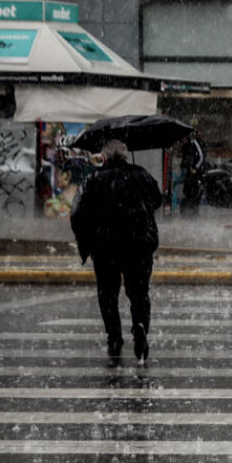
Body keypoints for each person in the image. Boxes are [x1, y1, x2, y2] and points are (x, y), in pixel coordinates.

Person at [71, 140, 163, 366]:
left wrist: (85, 243)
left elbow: (77, 213)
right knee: (139, 292)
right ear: (124, 156)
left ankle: (114, 337)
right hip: (138, 246)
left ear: (104, 157)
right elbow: (157, 199)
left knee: (108, 295)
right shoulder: (141, 175)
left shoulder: (93, 180)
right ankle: (140, 325)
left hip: (105, 247)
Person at [180, 132, 207, 216]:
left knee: (194, 192)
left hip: (195, 173)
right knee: (188, 191)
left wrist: (195, 168)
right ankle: (190, 211)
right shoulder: (185, 146)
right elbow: (185, 158)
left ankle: (194, 211)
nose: (183, 141)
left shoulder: (194, 144)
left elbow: (201, 157)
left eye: (184, 139)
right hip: (189, 172)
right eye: (182, 140)